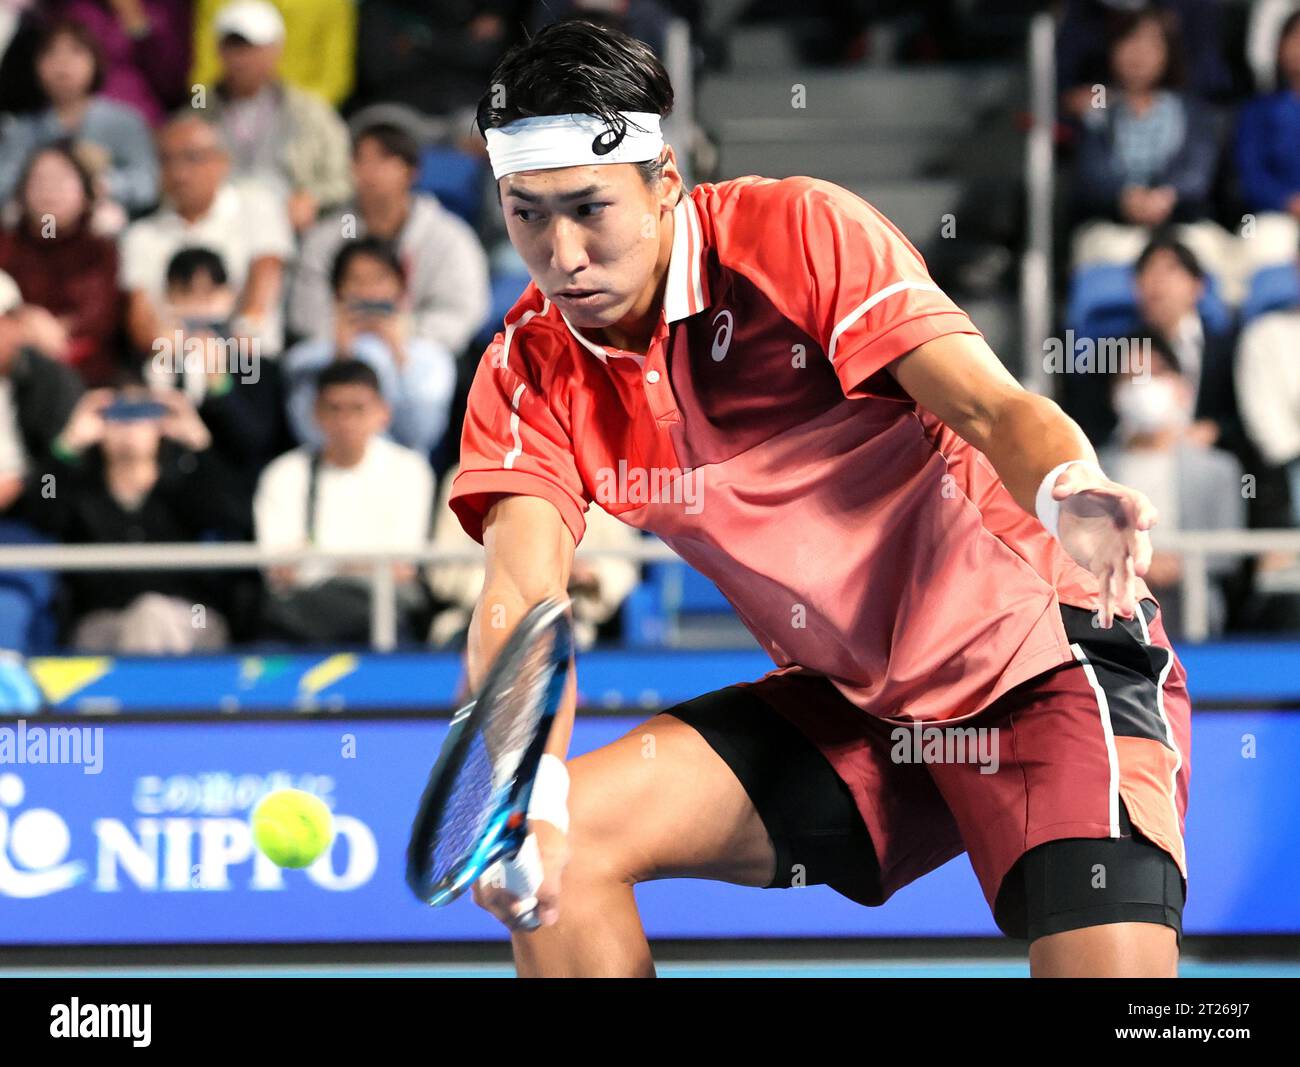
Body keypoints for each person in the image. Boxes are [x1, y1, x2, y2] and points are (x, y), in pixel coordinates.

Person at [450, 20, 1190, 979]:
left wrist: (1067, 486)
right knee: (571, 841)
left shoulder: (794, 234)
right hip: (855, 706)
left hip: (1038, 653)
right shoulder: (526, 368)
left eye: (590, 208)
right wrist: (525, 791)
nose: (563, 254)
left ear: (664, 179)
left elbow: (991, 403)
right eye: (526, 213)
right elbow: (523, 600)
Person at [29, 381, 248, 652]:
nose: (130, 427)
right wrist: (68, 445)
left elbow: (233, 514)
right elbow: (39, 510)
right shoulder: (82, 495)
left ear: (160, 426)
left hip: (192, 617)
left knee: (150, 614)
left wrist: (199, 442)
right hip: (103, 623)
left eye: (142, 413)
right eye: (119, 415)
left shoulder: (186, 486)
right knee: (133, 621)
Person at [254, 359, 434, 644]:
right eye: (335, 409)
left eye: (358, 409)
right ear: (316, 412)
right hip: (299, 623)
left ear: (382, 412)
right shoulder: (284, 474)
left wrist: (316, 560)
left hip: (382, 618)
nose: (346, 422)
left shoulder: (409, 469)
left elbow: (402, 569)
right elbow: (279, 573)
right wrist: (363, 562)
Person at [290, 122, 490, 356]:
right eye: (361, 160)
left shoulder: (449, 236)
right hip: (340, 353)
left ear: (410, 171)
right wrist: (354, 336)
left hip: (422, 353)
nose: (369, 171)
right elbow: (304, 313)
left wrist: (405, 333)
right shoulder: (329, 236)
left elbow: (465, 312)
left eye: (383, 160)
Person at [1098, 339, 1245, 637]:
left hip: (1194, 610)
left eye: (1154, 373)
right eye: (1130, 377)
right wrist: (1138, 566)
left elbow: (1230, 552)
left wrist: (1182, 564)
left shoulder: (1218, 469)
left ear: (1181, 387)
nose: (1143, 386)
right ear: (1115, 394)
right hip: (1112, 606)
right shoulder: (1093, 469)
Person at [120, 112, 292, 358]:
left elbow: (265, 282)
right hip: (173, 365)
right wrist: (189, 353)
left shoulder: (259, 207)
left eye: (192, 158)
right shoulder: (140, 235)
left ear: (222, 162)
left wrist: (226, 347)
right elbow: (142, 323)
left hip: (249, 364)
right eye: (167, 160)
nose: (178, 173)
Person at [1071, 9, 1224, 270]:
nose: (1138, 53)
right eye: (1129, 41)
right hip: (1115, 226)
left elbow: (1199, 171)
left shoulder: (1191, 110)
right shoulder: (1097, 111)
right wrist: (1124, 198)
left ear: (1168, 52)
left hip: (1179, 224)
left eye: (1151, 43)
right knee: (1106, 251)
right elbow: (1089, 175)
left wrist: (1167, 196)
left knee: (1205, 249)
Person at [283, 238, 456, 457]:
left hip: (404, 473)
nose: (368, 292)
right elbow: (307, 432)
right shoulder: (306, 359)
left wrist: (399, 355)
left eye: (378, 279)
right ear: (337, 291)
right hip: (327, 473)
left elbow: (422, 433)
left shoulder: (432, 358)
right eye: (356, 280)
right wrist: (341, 358)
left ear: (400, 287)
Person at [196, 0, 352, 232]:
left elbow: (344, 179)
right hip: (217, 230)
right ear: (219, 50)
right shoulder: (198, 113)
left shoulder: (311, 112)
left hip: (291, 229)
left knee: (347, 230)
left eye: (252, 47)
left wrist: (314, 198)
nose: (242, 58)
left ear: (275, 49)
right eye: (233, 46)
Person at [142, 246, 285, 479]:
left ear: (230, 296)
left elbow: (255, 442)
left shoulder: (256, 365)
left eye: (209, 294)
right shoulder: (154, 363)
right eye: (186, 294)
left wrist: (218, 380)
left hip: (232, 487)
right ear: (167, 299)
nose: (198, 306)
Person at [0, 18, 158, 222]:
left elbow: (149, 185)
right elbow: (3, 185)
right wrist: (36, 181)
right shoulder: (20, 129)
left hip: (107, 235)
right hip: (36, 231)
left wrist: (100, 183)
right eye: (50, 52)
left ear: (96, 60)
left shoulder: (125, 122)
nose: (62, 63)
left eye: (76, 51)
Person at [0, 141, 121, 386]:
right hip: (16, 367)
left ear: (86, 193)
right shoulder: (7, 247)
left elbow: (100, 318)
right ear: (22, 193)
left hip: (89, 373)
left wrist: (52, 332)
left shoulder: (100, 249)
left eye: (60, 180)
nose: (49, 191)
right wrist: (24, 322)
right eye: (40, 181)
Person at [190, 0, 357, 109]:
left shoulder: (331, 4)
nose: (246, 57)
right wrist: (201, 109)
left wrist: (298, 111)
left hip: (302, 115)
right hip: (226, 108)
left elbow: (335, 80)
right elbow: (200, 76)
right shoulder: (213, 3)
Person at [53, 0, 193, 127]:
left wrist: (134, 18)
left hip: (142, 120)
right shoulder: (73, 9)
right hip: (77, 120)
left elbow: (172, 81)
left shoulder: (165, 9)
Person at [1236, 10, 1300, 221]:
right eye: (1295, 36)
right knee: (1265, 240)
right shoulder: (1257, 111)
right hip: (1270, 217)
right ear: (1280, 46)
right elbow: (1251, 176)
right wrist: (1287, 202)